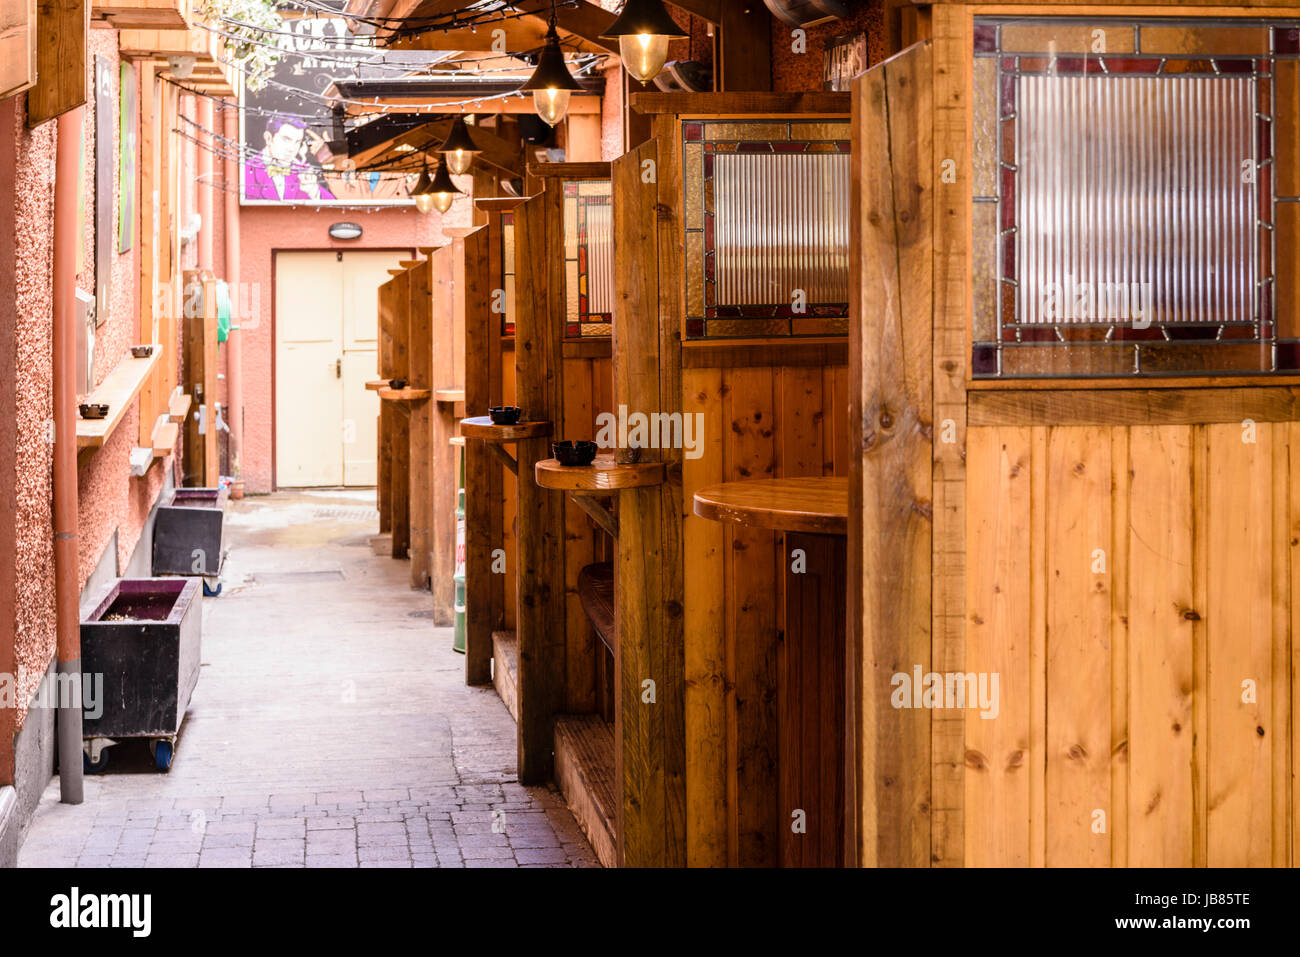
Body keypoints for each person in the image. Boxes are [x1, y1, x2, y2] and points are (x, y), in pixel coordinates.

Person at [245, 114, 336, 201]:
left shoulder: (304, 171)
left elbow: (335, 210)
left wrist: (315, 193)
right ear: (268, 138)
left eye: (297, 142)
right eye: (286, 140)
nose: (292, 149)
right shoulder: (245, 170)